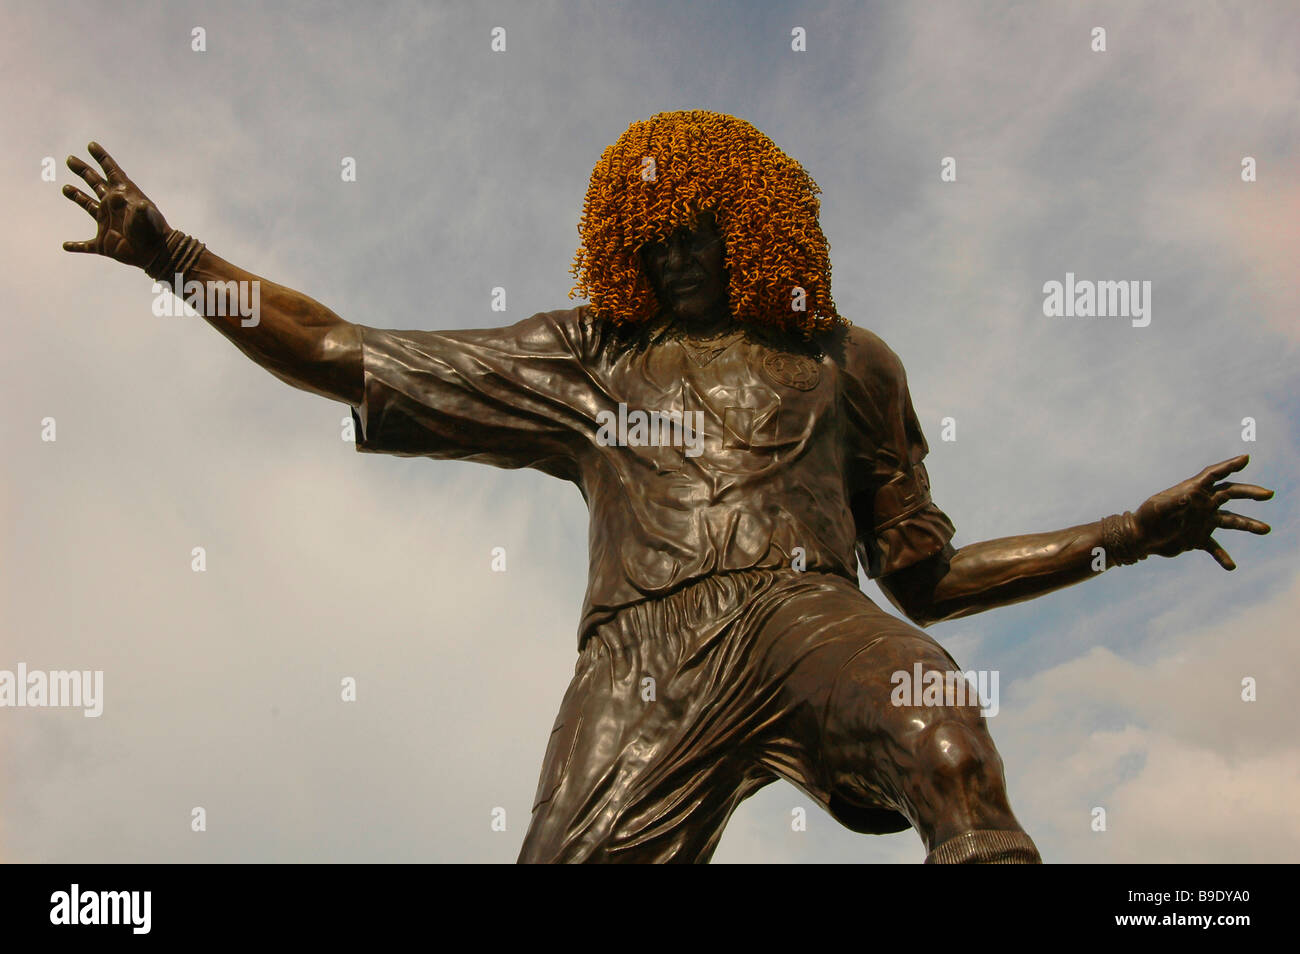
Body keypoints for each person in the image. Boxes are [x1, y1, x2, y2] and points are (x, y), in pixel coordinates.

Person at [62, 110, 1272, 864]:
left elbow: (927, 579)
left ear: (754, 228)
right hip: (646, 651)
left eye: (698, 232)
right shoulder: (588, 355)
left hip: (808, 615)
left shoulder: (853, 364)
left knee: (941, 729)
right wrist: (175, 258)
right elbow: (341, 352)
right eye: (650, 244)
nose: (675, 258)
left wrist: (1131, 535)